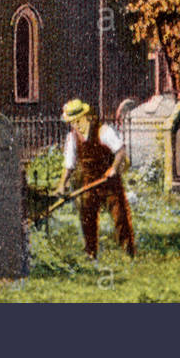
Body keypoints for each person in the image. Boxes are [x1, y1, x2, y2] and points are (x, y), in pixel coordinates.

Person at [54, 99, 135, 258]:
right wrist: (62, 185)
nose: (75, 125)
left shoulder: (103, 131)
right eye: (72, 122)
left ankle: (128, 250)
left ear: (86, 116)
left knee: (120, 216)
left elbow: (120, 151)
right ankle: (91, 252)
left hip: (109, 181)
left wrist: (113, 168)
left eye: (77, 121)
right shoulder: (72, 138)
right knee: (87, 216)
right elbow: (69, 164)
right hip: (89, 182)